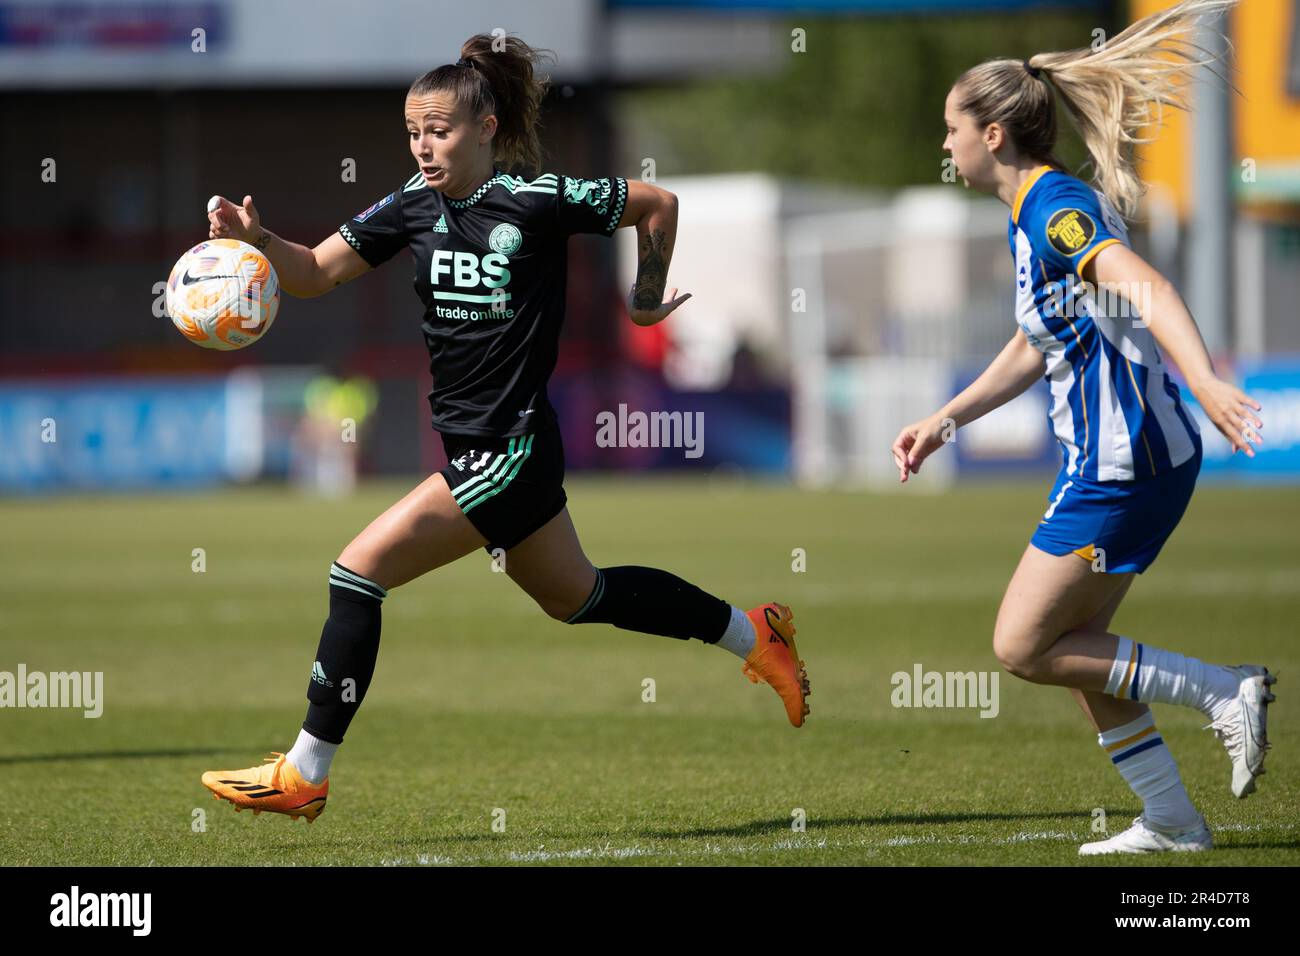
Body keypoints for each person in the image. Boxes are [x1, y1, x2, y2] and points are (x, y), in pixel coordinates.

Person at [200, 34, 810, 824]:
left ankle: (305, 772)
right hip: (479, 448)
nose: (424, 146)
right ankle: (755, 633)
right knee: (580, 598)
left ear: (486, 127)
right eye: (414, 132)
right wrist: (256, 241)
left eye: (440, 131)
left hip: (509, 450)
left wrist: (643, 295)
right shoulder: (410, 207)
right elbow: (313, 273)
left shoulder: (538, 199)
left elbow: (658, 203)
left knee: (356, 574)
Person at [892, 0, 1274, 855]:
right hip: (1131, 455)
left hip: (1122, 459)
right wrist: (945, 419)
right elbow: (1039, 341)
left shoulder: (1056, 208)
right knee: (1074, 645)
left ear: (992, 134)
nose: (943, 142)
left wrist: (1205, 377)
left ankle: (1223, 690)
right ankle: (1172, 819)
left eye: (950, 127)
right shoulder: (1031, 209)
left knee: (1022, 645)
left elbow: (1148, 288)